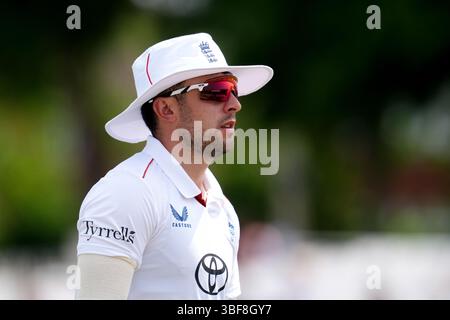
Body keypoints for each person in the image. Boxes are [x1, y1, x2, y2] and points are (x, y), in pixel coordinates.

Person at [75, 32, 273, 299]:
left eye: (233, 90)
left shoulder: (223, 208)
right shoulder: (125, 193)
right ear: (166, 109)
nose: (235, 104)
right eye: (216, 91)